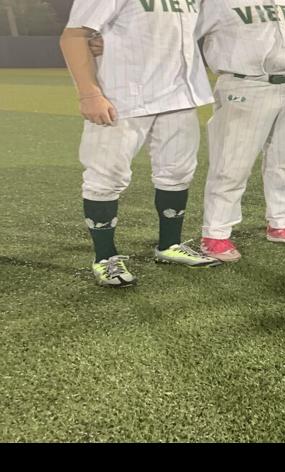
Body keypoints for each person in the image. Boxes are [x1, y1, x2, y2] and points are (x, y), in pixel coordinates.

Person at [59, 0, 220, 286]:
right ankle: (105, 257)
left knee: (178, 173)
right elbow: (74, 36)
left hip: (181, 95)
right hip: (122, 95)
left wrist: (117, 44)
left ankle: (169, 244)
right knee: (105, 177)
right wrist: (89, 94)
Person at [196, 0, 285, 260]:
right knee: (231, 163)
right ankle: (215, 233)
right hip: (245, 84)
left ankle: (283, 222)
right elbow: (184, 32)